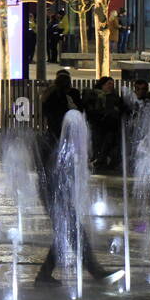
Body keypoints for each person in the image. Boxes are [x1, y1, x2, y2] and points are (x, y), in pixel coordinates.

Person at [35, 71, 110, 287]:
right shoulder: (54, 143)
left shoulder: (58, 142)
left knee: (69, 233)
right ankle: (95, 273)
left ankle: (45, 277)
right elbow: (50, 174)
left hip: (56, 194)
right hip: (54, 194)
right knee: (72, 233)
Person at [83, 76, 124, 171]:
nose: (111, 86)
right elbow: (90, 109)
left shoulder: (114, 97)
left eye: (112, 84)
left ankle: (102, 162)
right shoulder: (94, 95)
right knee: (98, 144)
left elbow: (120, 108)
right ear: (103, 84)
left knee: (108, 143)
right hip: (98, 124)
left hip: (111, 126)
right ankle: (98, 161)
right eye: (108, 83)